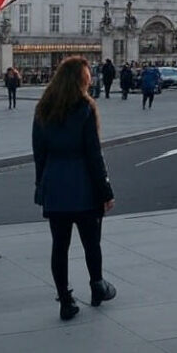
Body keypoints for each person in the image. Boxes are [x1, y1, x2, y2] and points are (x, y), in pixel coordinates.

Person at [32, 57, 116, 321]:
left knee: (60, 245)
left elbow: (39, 153)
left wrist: (41, 183)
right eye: (87, 73)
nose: (90, 76)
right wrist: (105, 190)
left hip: (55, 182)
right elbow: (93, 153)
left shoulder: (43, 108)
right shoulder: (84, 108)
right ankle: (97, 286)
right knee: (92, 242)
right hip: (83, 182)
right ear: (80, 79)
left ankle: (65, 299)